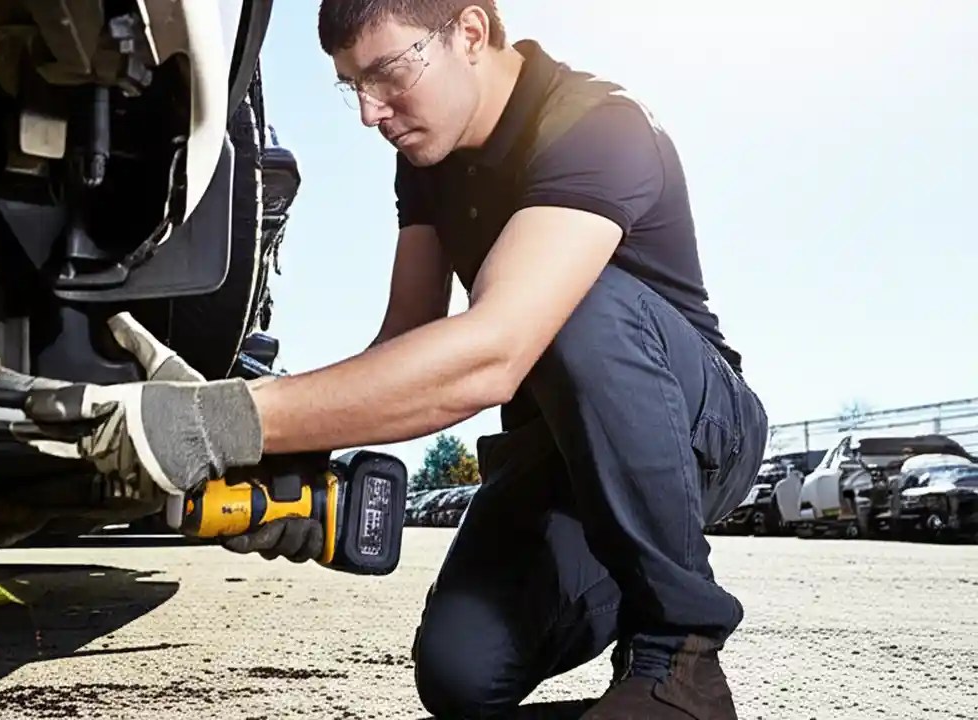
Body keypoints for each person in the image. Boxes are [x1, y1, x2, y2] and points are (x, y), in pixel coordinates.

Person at [85, 1, 769, 718]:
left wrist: (224, 419)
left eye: (386, 73)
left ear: (469, 33)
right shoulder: (427, 164)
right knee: (461, 677)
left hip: (696, 429)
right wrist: (284, 459)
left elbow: (495, 351)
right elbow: (405, 339)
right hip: (559, 455)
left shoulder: (597, 125)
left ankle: (680, 661)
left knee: (570, 301)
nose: (369, 112)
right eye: (353, 86)